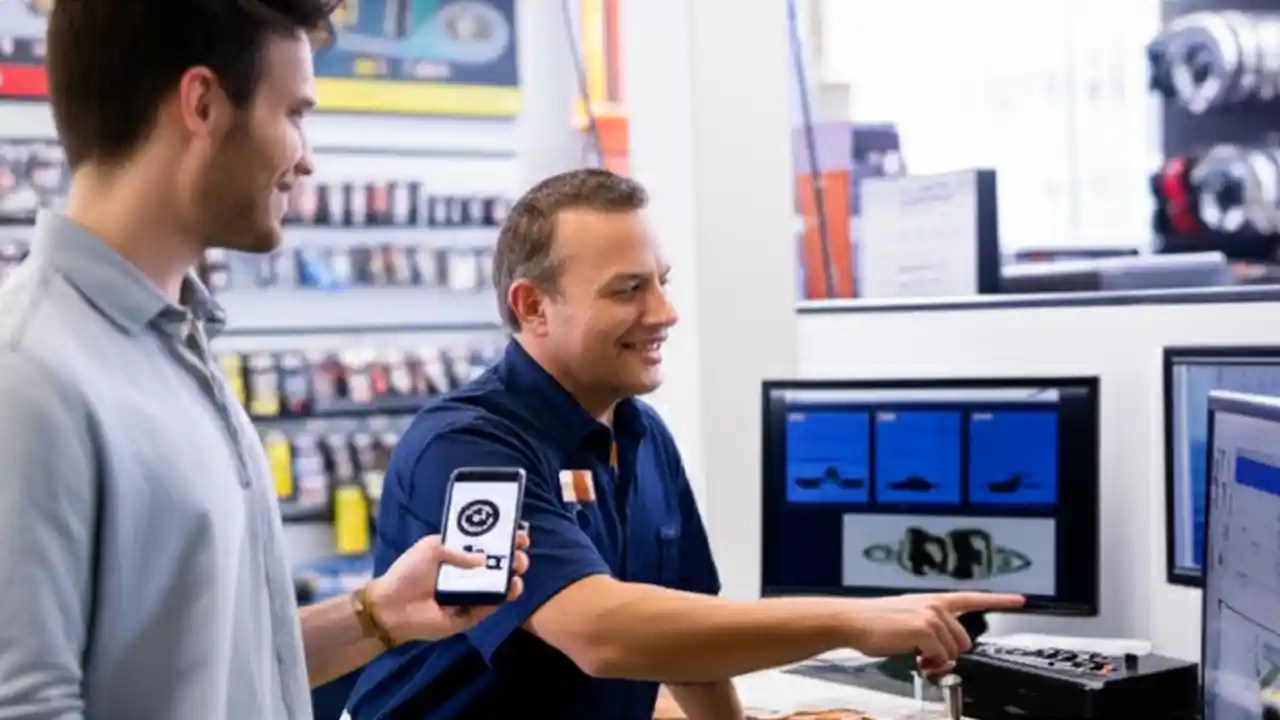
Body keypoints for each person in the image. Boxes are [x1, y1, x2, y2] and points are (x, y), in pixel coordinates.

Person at [0, 3, 527, 718]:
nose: (305, 157)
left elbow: (212, 672)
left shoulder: (175, 350)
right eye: (296, 113)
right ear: (204, 104)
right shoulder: (29, 376)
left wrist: (378, 615)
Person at [345, 168, 1026, 720]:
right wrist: (851, 620)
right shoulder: (468, 448)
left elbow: (682, 638)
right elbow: (601, 632)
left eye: (661, 282)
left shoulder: (640, 434)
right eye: (627, 291)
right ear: (532, 306)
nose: (663, 313)